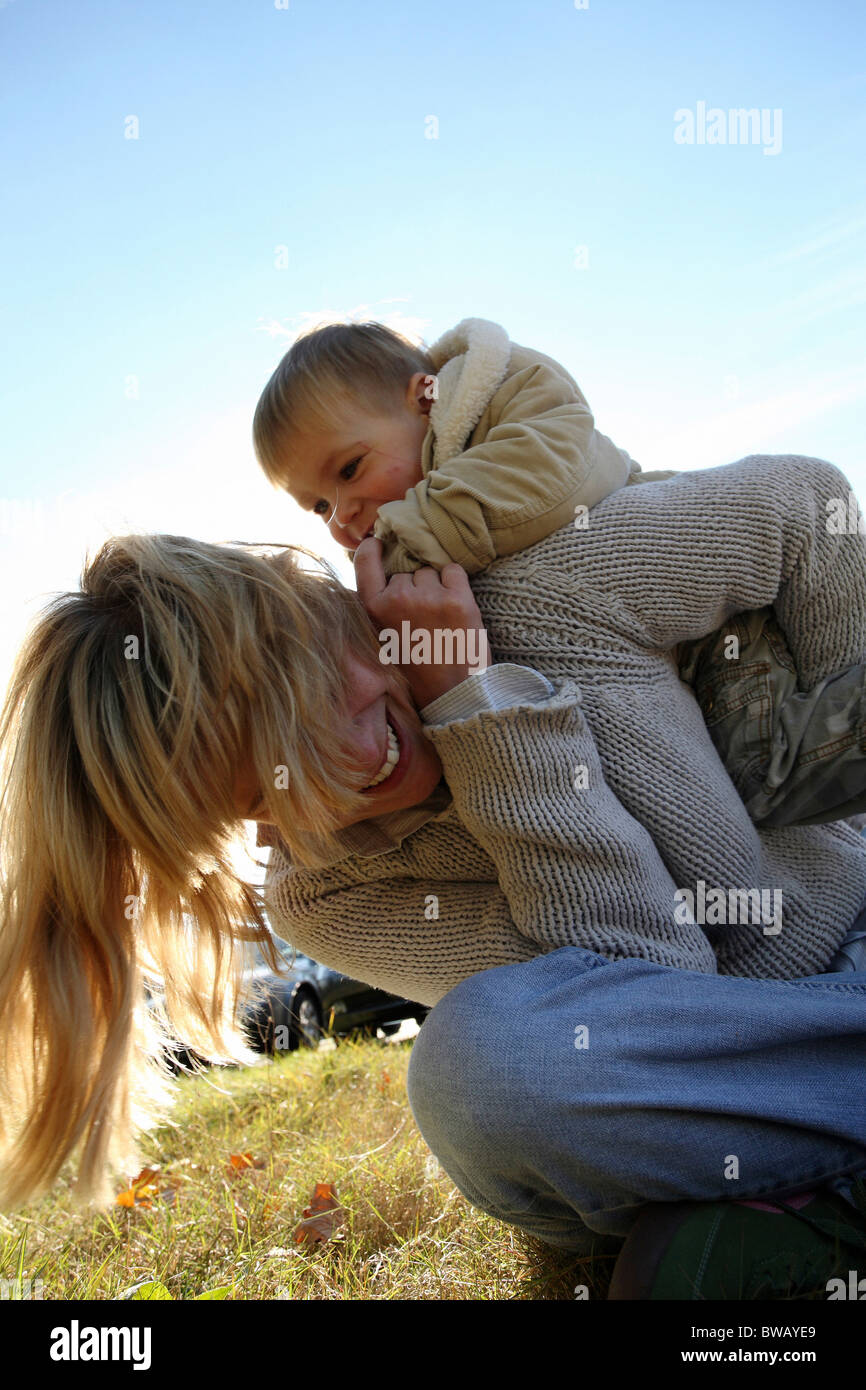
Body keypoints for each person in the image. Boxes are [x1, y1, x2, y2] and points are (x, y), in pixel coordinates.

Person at [2, 456, 866, 1300]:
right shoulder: (323, 898)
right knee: (479, 1073)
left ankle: (795, 1207)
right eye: (266, 783)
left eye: (298, 700)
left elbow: (811, 499)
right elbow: (658, 996)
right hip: (739, 1064)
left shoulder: (532, 581)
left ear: (307, 602)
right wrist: (481, 714)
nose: (349, 764)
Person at [253, 317, 866, 830]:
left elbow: (551, 480)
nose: (343, 516)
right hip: (667, 677)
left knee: (767, 769)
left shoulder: (511, 400)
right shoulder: (429, 543)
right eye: (319, 507)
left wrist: (406, 547)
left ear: (427, 398)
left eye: (351, 469)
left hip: (725, 641)